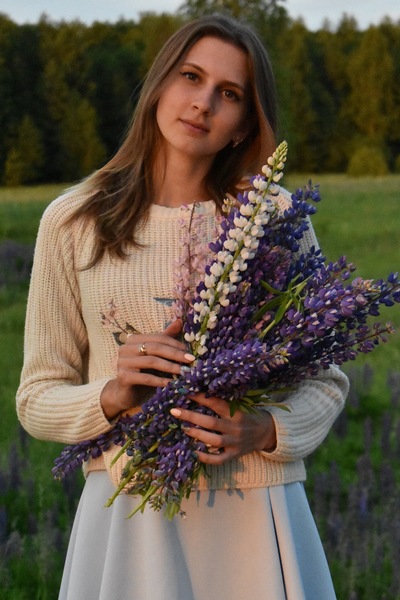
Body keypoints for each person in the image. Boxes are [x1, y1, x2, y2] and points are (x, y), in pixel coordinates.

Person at [16, 14, 349, 600]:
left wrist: (264, 429)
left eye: (229, 93)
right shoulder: (73, 221)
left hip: (255, 516)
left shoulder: (273, 217)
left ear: (244, 126)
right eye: (190, 77)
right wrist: (113, 395)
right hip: (130, 517)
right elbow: (36, 397)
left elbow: (326, 380)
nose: (203, 103)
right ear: (159, 85)